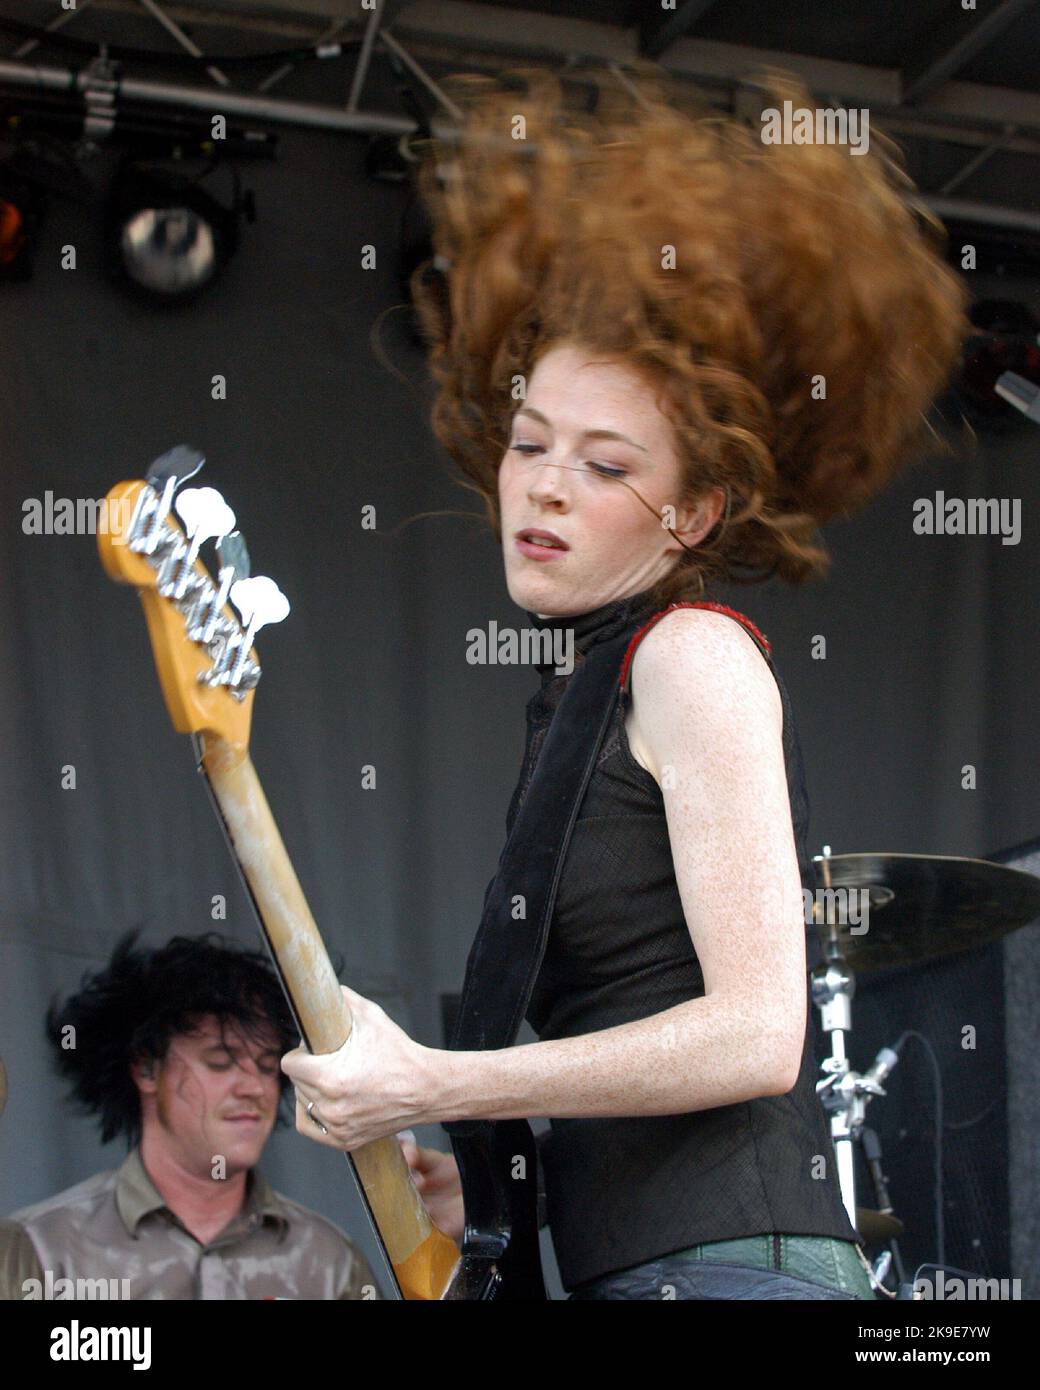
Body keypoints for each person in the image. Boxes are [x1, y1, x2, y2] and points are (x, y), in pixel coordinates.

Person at [281, 68, 968, 1299]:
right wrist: (504, 1171)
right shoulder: (590, 687)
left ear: (693, 509)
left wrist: (439, 1081)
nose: (540, 485)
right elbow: (649, 1039)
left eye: (602, 465)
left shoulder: (690, 655)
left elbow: (756, 1036)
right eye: (529, 442)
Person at [2, 933, 380, 1300]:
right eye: (220, 1061)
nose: (255, 1087)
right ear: (147, 1070)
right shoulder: (37, 1248)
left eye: (268, 1066)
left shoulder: (332, 1262)